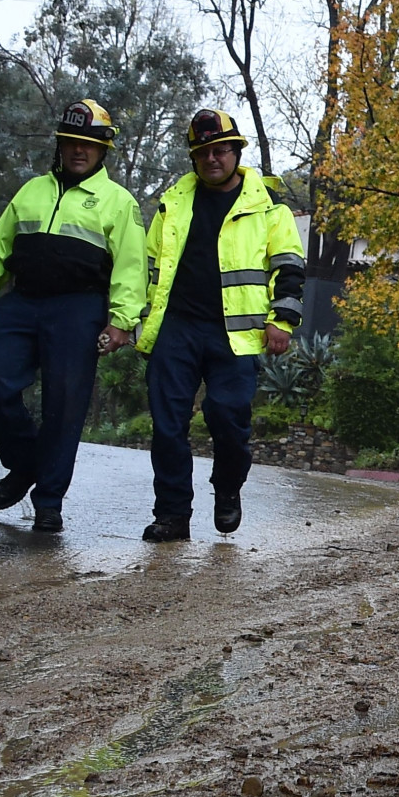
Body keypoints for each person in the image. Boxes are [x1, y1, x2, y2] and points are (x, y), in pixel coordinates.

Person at [0, 100, 146, 534]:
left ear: (103, 149)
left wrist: (122, 321)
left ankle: (48, 501)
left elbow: (131, 269)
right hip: (23, 301)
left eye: (88, 144)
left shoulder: (118, 202)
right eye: (71, 142)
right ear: (60, 144)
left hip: (79, 307)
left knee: (64, 404)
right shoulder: (30, 191)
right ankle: (25, 464)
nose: (78, 151)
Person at [137, 108, 303, 541]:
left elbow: (289, 267)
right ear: (194, 158)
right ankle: (172, 514)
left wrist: (282, 320)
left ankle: (228, 488)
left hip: (239, 333)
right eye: (204, 152)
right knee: (167, 422)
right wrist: (136, 318)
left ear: (236, 152)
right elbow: (150, 265)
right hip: (177, 327)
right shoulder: (172, 204)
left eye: (221, 150)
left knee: (228, 417)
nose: (213, 159)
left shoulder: (269, 208)